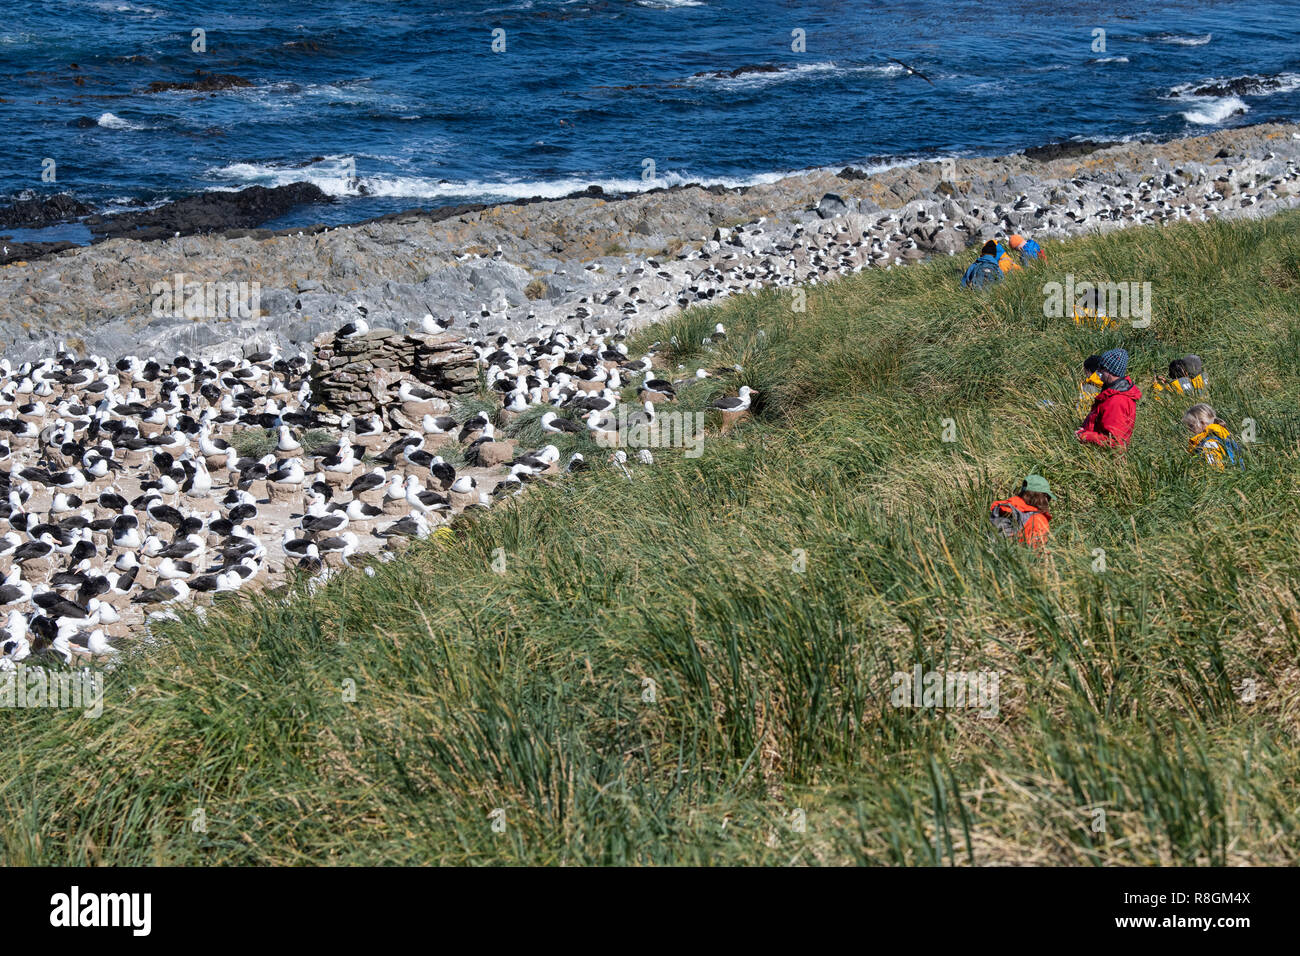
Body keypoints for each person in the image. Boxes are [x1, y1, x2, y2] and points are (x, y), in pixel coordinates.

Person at [1076, 348, 1141, 447]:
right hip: (1096, 450)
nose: (1098, 370)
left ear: (1111, 370)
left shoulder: (1117, 401)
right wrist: (1085, 431)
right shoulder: (1110, 392)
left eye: (1102, 367)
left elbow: (1114, 442)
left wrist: (1086, 436)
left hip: (1103, 455)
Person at [989, 474, 1053, 548]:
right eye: (1047, 498)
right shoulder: (1037, 519)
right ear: (1042, 497)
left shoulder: (1005, 508)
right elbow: (1037, 549)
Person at [1183, 403, 1242, 468]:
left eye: (1191, 426)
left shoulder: (1210, 443)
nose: (1190, 429)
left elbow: (1215, 468)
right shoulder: (1223, 436)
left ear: (1202, 423)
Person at [1076, 354, 1105, 419]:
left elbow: (1081, 410)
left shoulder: (1087, 387)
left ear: (1088, 371)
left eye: (1085, 372)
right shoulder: (1109, 382)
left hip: (1087, 420)